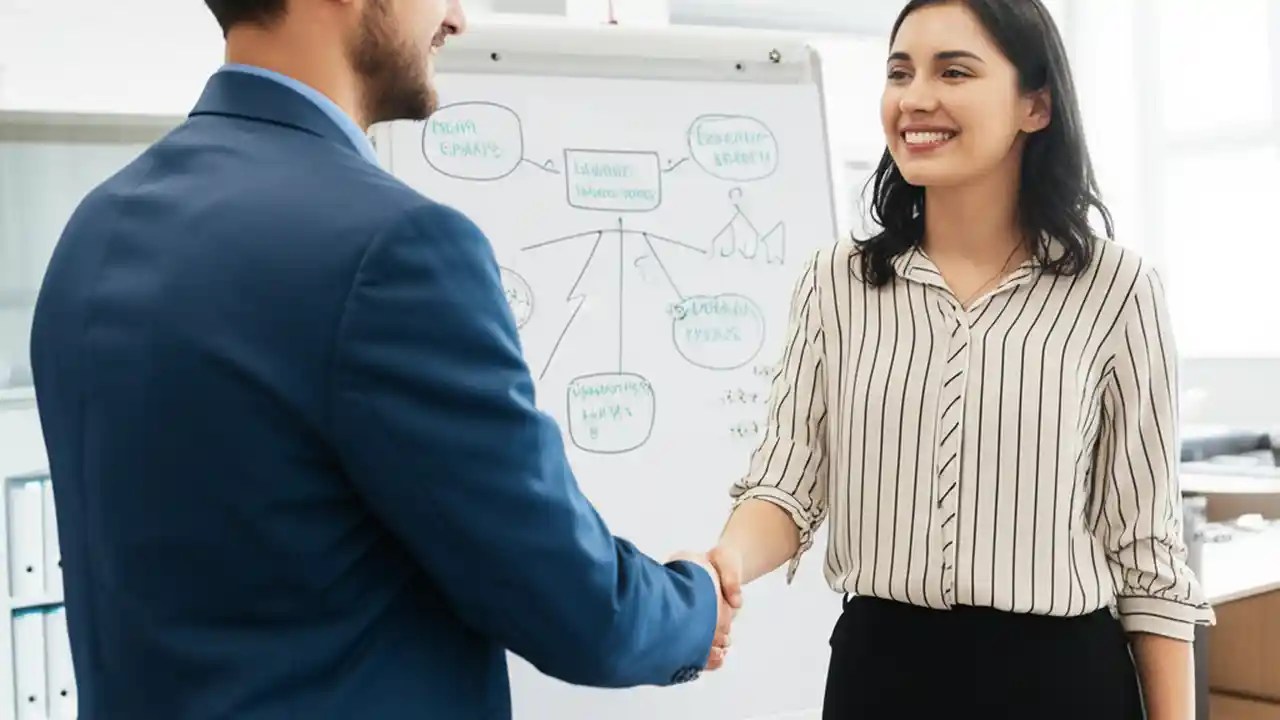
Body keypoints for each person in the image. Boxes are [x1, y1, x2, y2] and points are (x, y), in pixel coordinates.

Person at [28, 1, 735, 718]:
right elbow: (582, 611)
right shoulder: (396, 248)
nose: (457, 18)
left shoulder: (95, 228)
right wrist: (696, 601)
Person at [704, 1, 1215, 718]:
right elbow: (786, 485)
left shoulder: (1117, 289)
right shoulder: (836, 282)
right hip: (881, 678)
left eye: (953, 72)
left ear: (1035, 105)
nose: (915, 98)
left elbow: (1147, 552)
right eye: (899, 72)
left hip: (1061, 685)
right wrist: (723, 565)